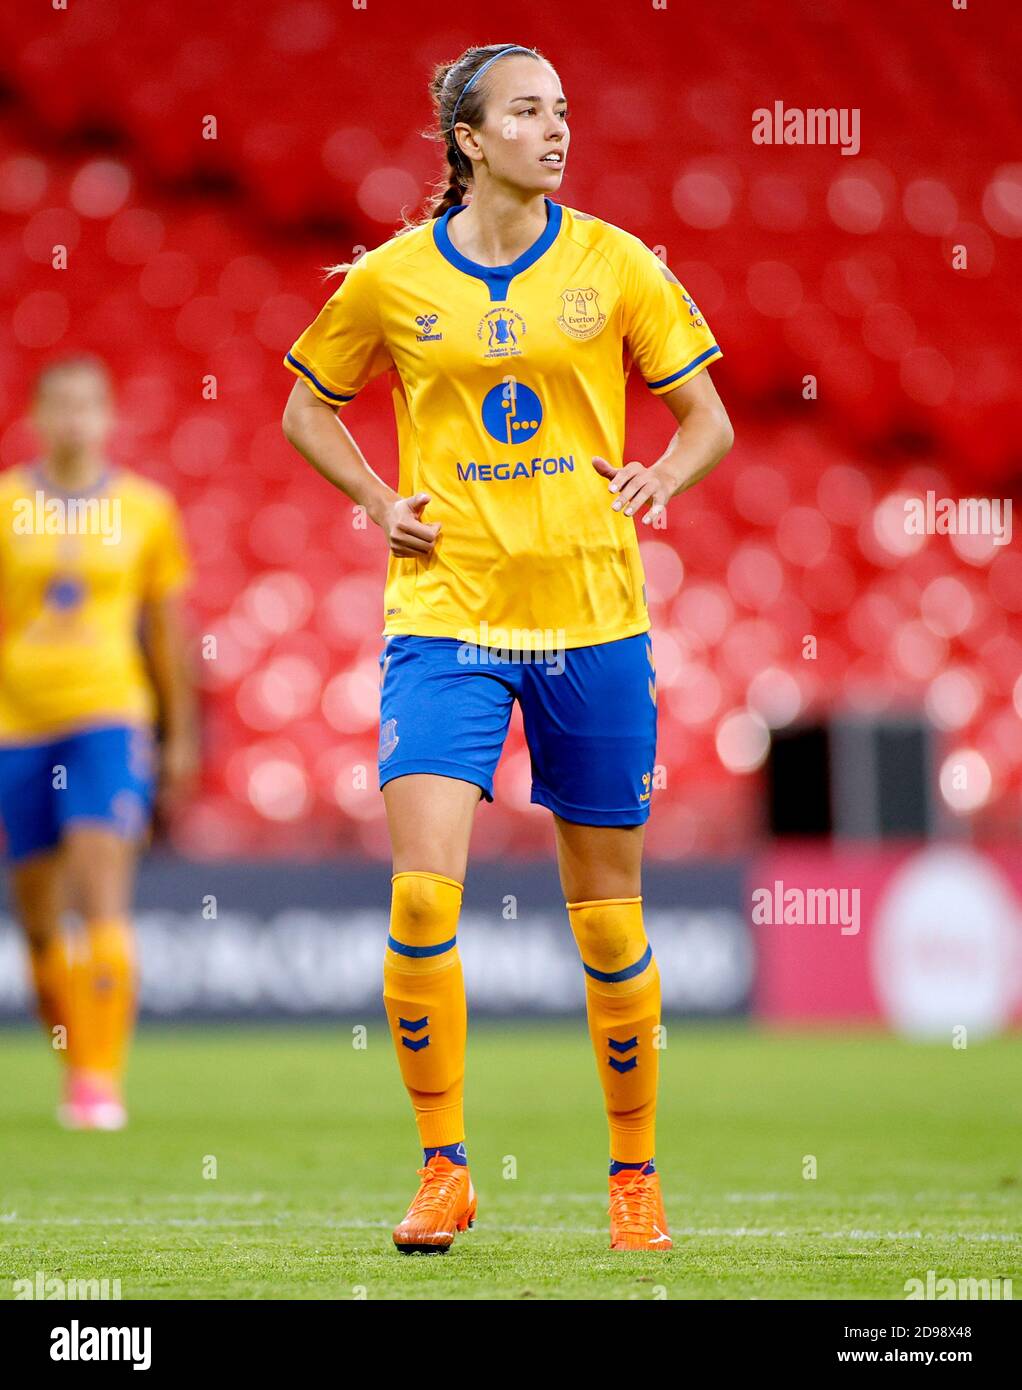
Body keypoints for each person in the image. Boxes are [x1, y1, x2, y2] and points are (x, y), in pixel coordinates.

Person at [282, 42, 733, 1252]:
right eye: (527, 111)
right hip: (445, 619)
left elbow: (707, 417)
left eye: (563, 110)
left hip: (593, 617)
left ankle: (632, 1176)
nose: (556, 129)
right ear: (468, 140)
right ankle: (443, 1168)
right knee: (423, 893)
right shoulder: (387, 281)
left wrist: (659, 473)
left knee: (604, 919)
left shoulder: (614, 261)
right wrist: (378, 505)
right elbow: (303, 405)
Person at [0, 354, 197, 1129]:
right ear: (39, 417)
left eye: (91, 405)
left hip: (109, 716)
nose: (76, 419)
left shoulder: (147, 508)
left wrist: (177, 735)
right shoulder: (8, 504)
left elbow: (169, 631)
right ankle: (73, 1063)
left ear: (110, 417)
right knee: (41, 918)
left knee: (101, 894)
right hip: (18, 724)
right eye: (62, 406)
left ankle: (99, 1078)